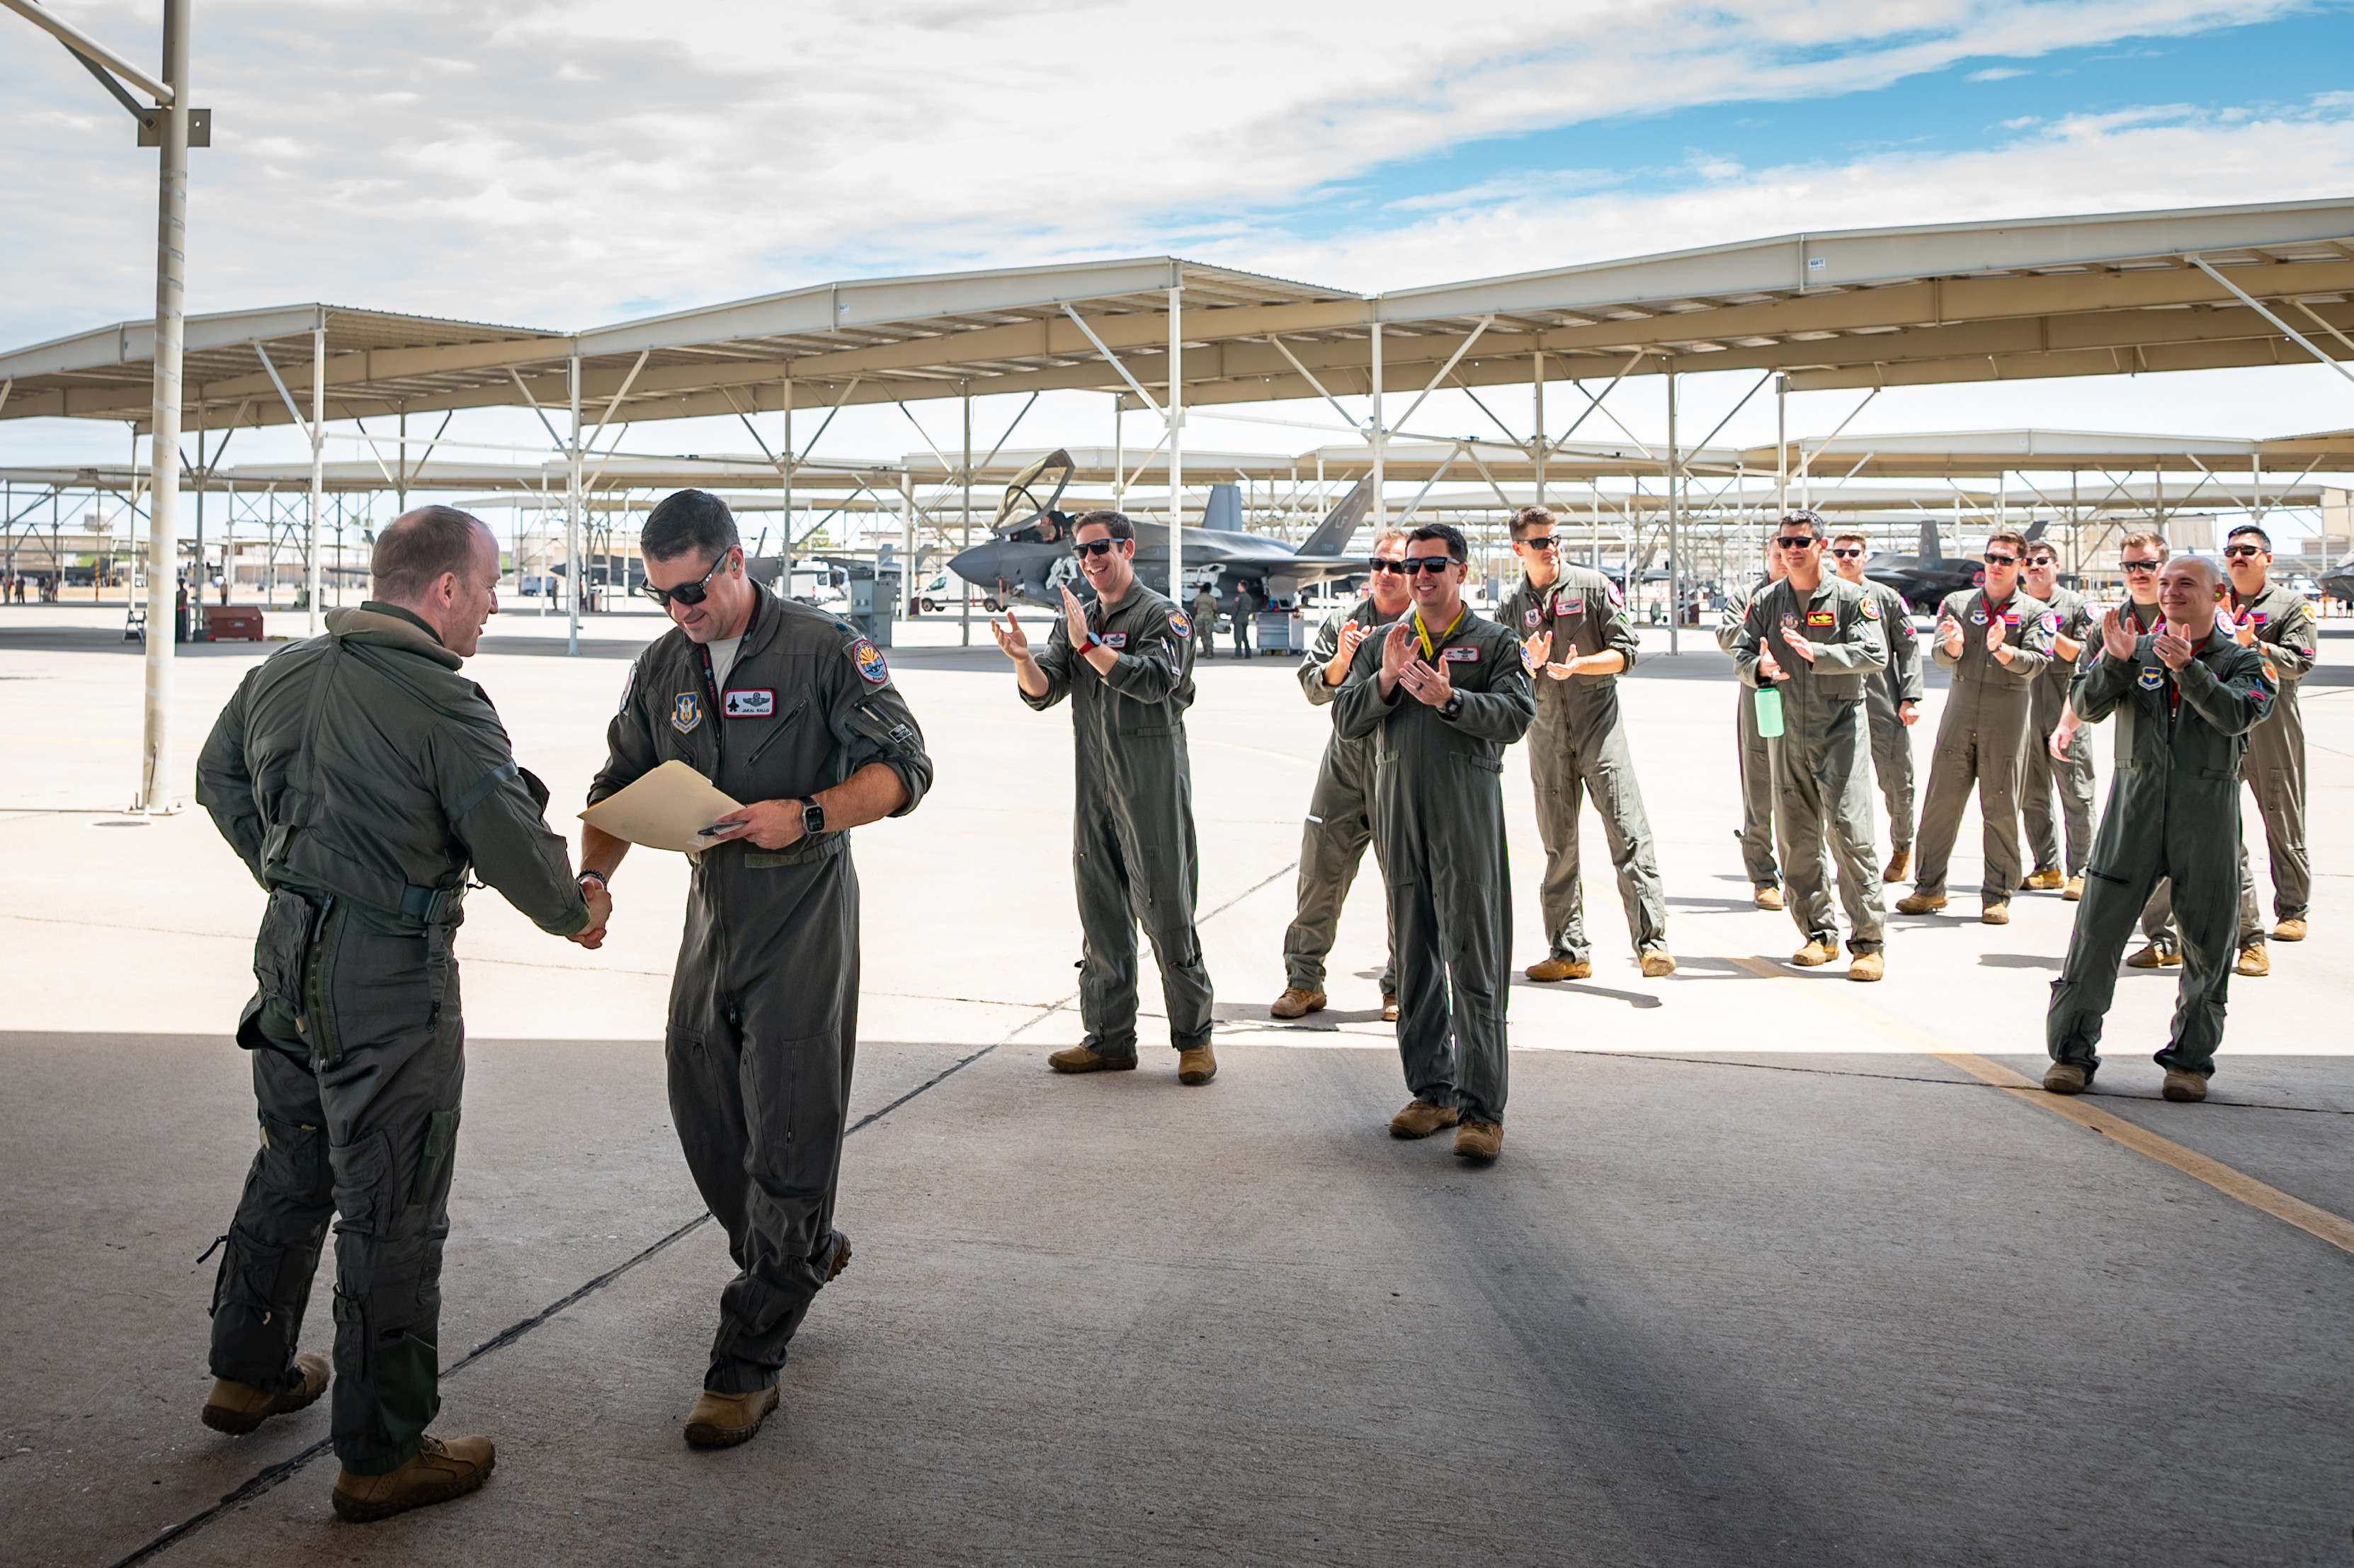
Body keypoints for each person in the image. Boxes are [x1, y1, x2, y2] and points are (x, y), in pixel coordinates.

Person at [194, 506, 608, 1523]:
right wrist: (577, 908)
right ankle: (381, 1454)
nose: (497, 603)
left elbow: (218, 778)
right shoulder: (444, 704)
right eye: (493, 584)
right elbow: (520, 855)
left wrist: (295, 876)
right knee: (393, 1203)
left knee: (293, 1160)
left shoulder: (280, 673)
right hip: (386, 982)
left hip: (287, 961)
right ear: (446, 590)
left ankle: (246, 1373)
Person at [581, 489, 932, 1450]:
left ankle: (748, 1358)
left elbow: (907, 767)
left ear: (735, 561)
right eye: (662, 596)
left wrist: (809, 812)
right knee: (703, 1109)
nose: (681, 610)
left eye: (692, 589)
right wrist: (592, 876)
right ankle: (799, 1251)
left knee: (789, 1127)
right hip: (712, 915)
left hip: (803, 913)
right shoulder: (663, 665)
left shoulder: (826, 650)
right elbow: (615, 790)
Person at [1333, 523, 1534, 1162]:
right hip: (1398, 817)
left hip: (1463, 821)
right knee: (1415, 964)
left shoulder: (1494, 642)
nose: (1421, 576)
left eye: (1435, 565)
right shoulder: (1389, 642)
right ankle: (1433, 1092)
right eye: (1413, 565)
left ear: (1463, 572)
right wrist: (1387, 681)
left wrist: (1452, 700)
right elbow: (1345, 717)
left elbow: (1516, 717)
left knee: (1473, 963)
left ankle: (1482, 1110)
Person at [992, 511, 1216, 1085]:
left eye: (1101, 549)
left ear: (1127, 549)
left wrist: (1089, 645)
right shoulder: (1079, 617)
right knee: (1101, 911)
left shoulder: (1162, 615)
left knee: (1167, 909)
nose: (1091, 561)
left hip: (1151, 785)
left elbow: (1154, 680)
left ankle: (1194, 1039)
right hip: (1095, 786)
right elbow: (1045, 690)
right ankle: (1110, 1039)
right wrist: (1022, 660)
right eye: (1084, 552)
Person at [2042, 555, 2276, 1103]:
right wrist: (2115, 665)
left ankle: (2189, 1063)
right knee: (2095, 939)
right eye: (2165, 583)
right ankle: (2072, 1056)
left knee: (2207, 947)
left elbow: (2241, 714)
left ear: (2219, 595)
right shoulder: (2132, 649)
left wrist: (2189, 672)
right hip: (2132, 819)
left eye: (2185, 584)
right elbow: (2083, 706)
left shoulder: (2244, 662)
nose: (2170, 592)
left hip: (2206, 824)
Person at [1497, 506, 1673, 981]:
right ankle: (1568, 951)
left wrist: (1582, 666)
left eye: (1555, 539)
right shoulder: (1512, 607)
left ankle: (1652, 943)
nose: (1551, 548)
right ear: (1519, 550)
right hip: (1547, 736)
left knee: (1627, 834)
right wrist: (1526, 662)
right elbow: (1501, 670)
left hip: (1600, 731)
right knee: (1559, 847)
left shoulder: (1593, 587)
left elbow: (1627, 652)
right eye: (1539, 542)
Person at [2134, 523, 2319, 977]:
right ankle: (2165, 937)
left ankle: (2291, 910)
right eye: (2232, 550)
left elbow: (2301, 663)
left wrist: (2254, 644)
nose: (2239, 556)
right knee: (2185, 831)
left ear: (2267, 558)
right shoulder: (2205, 596)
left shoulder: (2291, 605)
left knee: (2281, 816)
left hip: (2269, 725)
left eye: (2248, 550)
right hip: (2210, 726)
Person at [1732, 513, 1891, 980]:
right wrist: (1758, 669)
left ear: (1820, 546)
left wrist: (1817, 654)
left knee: (1849, 833)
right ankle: (1819, 936)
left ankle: (1869, 943)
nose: (1793, 549)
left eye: (1802, 541)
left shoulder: (1851, 599)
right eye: (1786, 541)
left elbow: (1875, 653)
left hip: (1839, 728)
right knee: (1796, 838)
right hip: (1785, 730)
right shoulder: (1767, 600)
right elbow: (1742, 653)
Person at [1273, 531, 1410, 1022]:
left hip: (1404, 765)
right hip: (1347, 762)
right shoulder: (1344, 622)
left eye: (1397, 565)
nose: (1386, 573)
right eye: (1379, 564)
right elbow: (1314, 688)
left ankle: (1401, 987)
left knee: (1405, 880)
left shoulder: (1427, 623)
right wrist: (1343, 660)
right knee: (1319, 871)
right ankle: (1304, 981)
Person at [1894, 528, 2053, 924]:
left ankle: (1997, 894)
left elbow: (2037, 663)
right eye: (1991, 557)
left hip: (2008, 715)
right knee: (1939, 804)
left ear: (2020, 565)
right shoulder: (1958, 604)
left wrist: (2002, 648)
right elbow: (1939, 656)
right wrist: (1953, 647)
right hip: (1960, 712)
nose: (1996, 566)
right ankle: (1929, 889)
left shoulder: (2037, 613)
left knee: (2000, 807)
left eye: (2005, 559)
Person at [1829, 531, 1923, 881]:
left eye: (1853, 552)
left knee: (1898, 780)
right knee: (1840, 784)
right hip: (1836, 701)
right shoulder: (1823, 597)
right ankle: (1850, 855)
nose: (1846, 558)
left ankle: (1902, 848)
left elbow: (1909, 649)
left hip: (1883, 701)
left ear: (1865, 557)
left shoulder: (1886, 598)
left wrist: (1910, 697)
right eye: (1840, 552)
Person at [2018, 541, 2095, 899]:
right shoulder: (2014, 606)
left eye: (2042, 561)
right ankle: (2046, 867)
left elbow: (2083, 652)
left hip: (2065, 706)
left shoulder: (2076, 605)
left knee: (2076, 792)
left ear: (2056, 565)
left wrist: (2049, 631)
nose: (2035, 567)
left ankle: (2081, 870)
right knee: (2032, 793)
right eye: (2029, 562)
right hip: (2024, 707)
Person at [1718, 535, 1786, 909]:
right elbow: (1726, 636)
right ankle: (1762, 877)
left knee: (1808, 792)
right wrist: (1754, 626)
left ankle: (1805, 875)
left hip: (1807, 702)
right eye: (1778, 554)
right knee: (1759, 790)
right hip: (1762, 697)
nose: (1784, 560)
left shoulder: (1810, 595)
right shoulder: (1748, 595)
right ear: (1768, 555)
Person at [1190, 581, 1219, 662]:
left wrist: (1199, 613)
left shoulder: (1198, 597)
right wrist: (1213, 616)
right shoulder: (1211, 598)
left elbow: (1195, 607)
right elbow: (1215, 609)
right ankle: (1209, 652)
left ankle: (1196, 651)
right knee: (1208, 634)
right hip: (1208, 616)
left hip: (1199, 616)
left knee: (1198, 634)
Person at [1231, 582, 1257, 659]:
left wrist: (1233, 618)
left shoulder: (1239, 597)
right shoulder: (1249, 597)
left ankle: (1238, 654)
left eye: (1238, 586)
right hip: (1246, 618)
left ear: (1242, 587)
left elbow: (1235, 608)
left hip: (1239, 618)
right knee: (1244, 636)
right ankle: (1248, 653)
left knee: (1238, 637)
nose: (1237, 587)